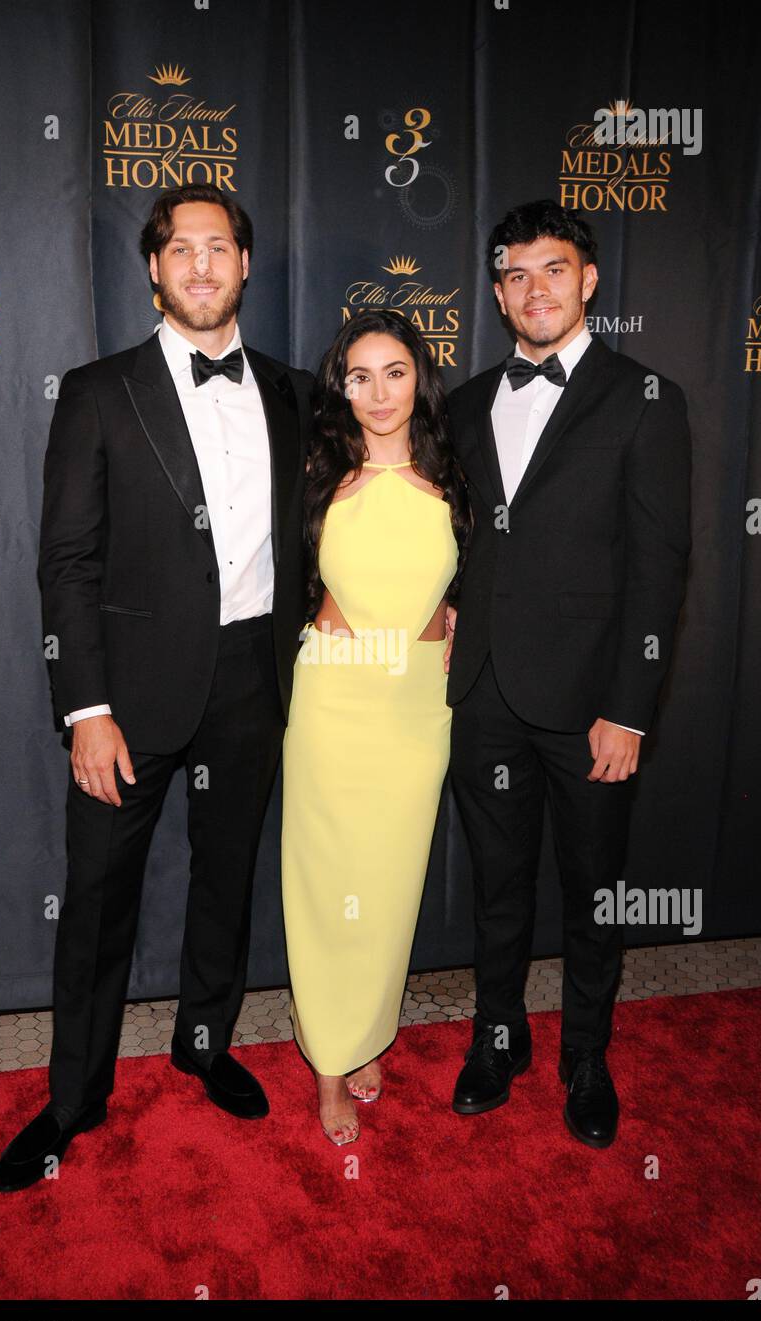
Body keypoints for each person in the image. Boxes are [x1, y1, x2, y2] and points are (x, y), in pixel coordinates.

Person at [0, 184, 314, 1192]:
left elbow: (378, 484)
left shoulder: (296, 391)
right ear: (153, 269)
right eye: (183, 249)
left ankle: (207, 1043)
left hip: (252, 677)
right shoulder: (97, 391)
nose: (203, 265)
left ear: (246, 265)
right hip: (125, 696)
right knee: (96, 900)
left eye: (220, 247)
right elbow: (68, 564)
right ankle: (74, 1097)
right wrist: (85, 709)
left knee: (226, 878)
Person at [447, 199, 691, 1148]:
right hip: (483, 695)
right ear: (498, 292)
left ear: (587, 281)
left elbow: (658, 565)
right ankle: (496, 1039)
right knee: (496, 886)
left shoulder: (645, 398)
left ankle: (585, 1056)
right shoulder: (467, 403)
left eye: (551, 269)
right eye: (513, 274)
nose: (531, 289)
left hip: (590, 701)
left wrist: (629, 711)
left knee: (593, 892)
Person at [281, 309, 469, 1144]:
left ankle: (365, 1031)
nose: (379, 391)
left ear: (418, 378)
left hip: (414, 711)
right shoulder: (316, 470)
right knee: (325, 885)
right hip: (334, 702)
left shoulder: (457, 473)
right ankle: (327, 1062)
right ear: (340, 386)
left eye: (395, 371)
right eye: (359, 375)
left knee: (389, 887)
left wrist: (461, 616)